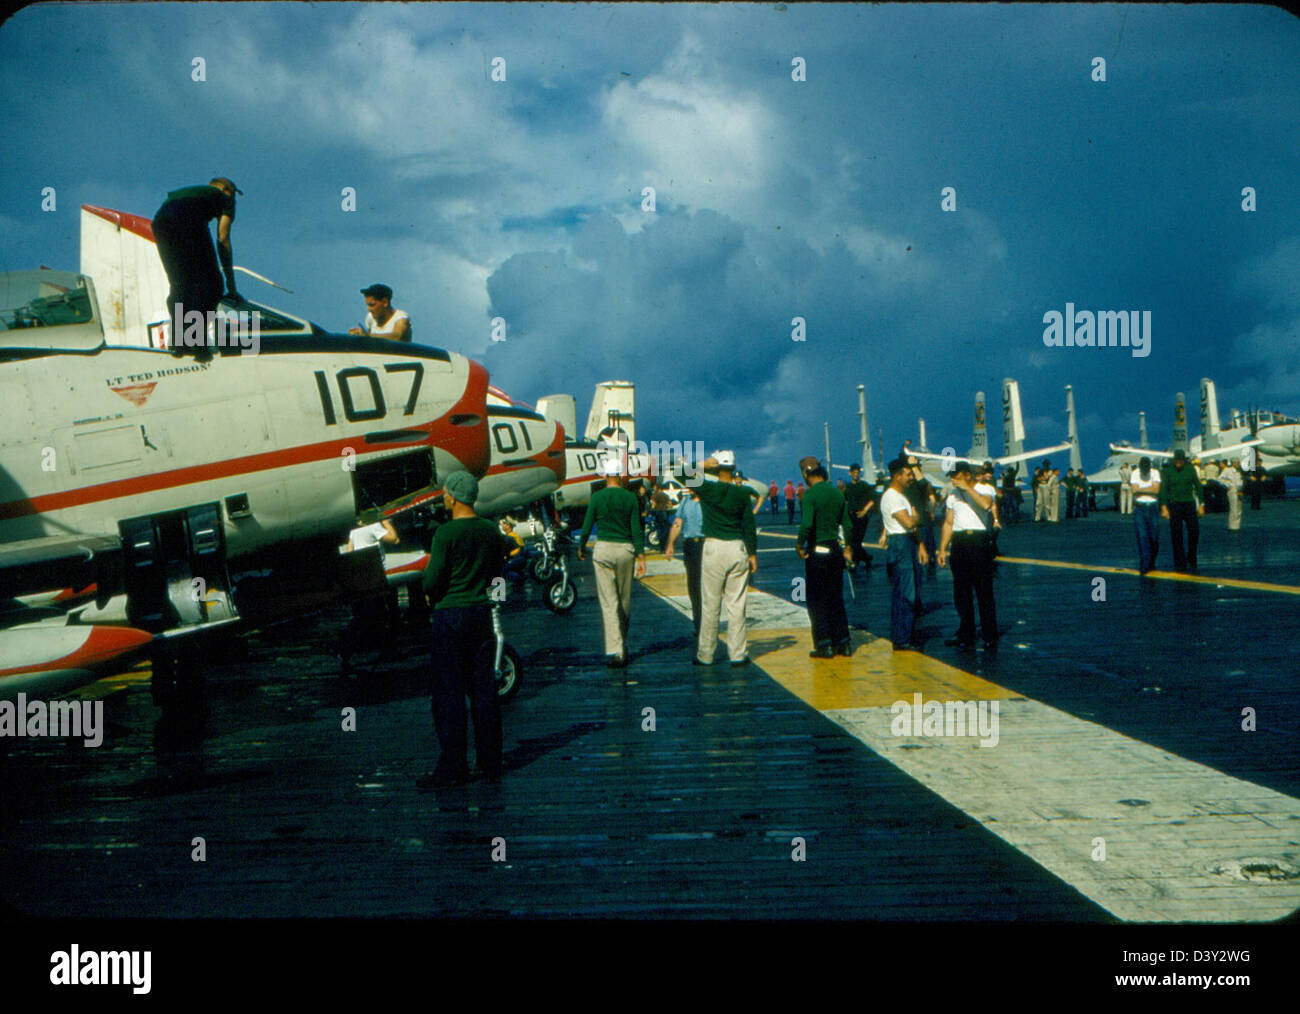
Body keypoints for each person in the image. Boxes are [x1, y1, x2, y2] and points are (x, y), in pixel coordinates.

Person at [418, 471, 514, 788]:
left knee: (449, 694)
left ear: (455, 497)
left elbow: (432, 579)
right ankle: (490, 762)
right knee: (483, 691)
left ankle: (452, 765)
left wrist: (431, 591)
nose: (443, 497)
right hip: (480, 614)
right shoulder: (489, 530)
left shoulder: (445, 534)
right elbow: (498, 571)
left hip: (450, 616)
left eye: (446, 493)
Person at [152, 177, 242, 361]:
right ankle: (197, 343)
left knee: (180, 284)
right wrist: (230, 285)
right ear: (226, 189)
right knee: (212, 285)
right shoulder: (223, 198)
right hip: (187, 221)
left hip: (160, 222)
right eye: (233, 195)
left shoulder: (195, 192)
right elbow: (223, 238)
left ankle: (178, 343)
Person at [577, 458, 646, 667]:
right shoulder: (631, 498)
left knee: (609, 603)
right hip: (625, 550)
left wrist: (581, 546)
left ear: (605, 476)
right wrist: (641, 556)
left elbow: (588, 524)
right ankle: (622, 644)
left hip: (604, 549)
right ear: (621, 476)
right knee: (624, 601)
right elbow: (636, 529)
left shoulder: (597, 497)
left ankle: (616, 651)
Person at [694, 451, 758, 667]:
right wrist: (752, 554)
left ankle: (705, 654)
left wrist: (703, 465)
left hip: (713, 548)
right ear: (733, 468)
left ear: (716, 468)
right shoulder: (743, 494)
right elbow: (749, 526)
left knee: (710, 604)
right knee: (737, 605)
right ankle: (738, 654)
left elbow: (678, 471)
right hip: (737, 548)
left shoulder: (708, 489)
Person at [937, 461, 998, 652]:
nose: (953, 481)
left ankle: (989, 634)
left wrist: (968, 489)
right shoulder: (952, 495)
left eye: (956, 477)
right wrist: (942, 549)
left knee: (983, 591)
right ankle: (966, 632)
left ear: (967, 475)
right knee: (961, 592)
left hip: (978, 541)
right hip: (960, 542)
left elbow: (986, 504)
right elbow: (948, 522)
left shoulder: (984, 488)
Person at [796, 457, 853, 658]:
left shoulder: (809, 495)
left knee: (817, 599)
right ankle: (843, 643)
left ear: (806, 474)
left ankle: (824, 644)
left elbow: (807, 525)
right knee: (836, 597)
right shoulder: (837, 494)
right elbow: (847, 525)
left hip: (817, 551)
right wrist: (849, 548)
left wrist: (799, 543)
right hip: (835, 551)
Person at [338, 511, 399, 673]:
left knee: (362, 617)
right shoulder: (373, 528)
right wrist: (386, 522)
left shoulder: (354, 532)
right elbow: (394, 539)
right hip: (377, 578)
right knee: (385, 614)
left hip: (362, 580)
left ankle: (346, 649)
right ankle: (387, 650)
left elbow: (350, 551)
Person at [880, 457, 929, 650]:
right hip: (900, 545)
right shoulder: (892, 497)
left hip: (908, 543)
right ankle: (902, 639)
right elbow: (909, 523)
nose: (911, 478)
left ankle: (906, 635)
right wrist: (916, 517)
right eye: (908, 474)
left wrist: (921, 545)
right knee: (905, 593)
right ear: (897, 476)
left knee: (911, 590)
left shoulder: (902, 497)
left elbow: (911, 525)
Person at [664, 487, 705, 637]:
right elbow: (677, 523)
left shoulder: (708, 501)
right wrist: (670, 544)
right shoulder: (685, 502)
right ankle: (699, 623)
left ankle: (707, 621)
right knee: (693, 585)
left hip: (706, 545)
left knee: (708, 586)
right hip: (691, 547)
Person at [1160, 448, 1204, 573]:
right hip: (1175, 505)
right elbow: (1163, 489)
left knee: (1194, 531)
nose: (1178, 463)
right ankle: (1179, 561)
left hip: (1189, 504)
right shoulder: (1168, 471)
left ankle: (1192, 556)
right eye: (1176, 460)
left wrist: (1201, 504)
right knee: (1176, 534)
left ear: (1184, 460)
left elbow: (1198, 486)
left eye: (1180, 460)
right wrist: (1164, 507)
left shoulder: (1190, 469)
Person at [843, 463, 876, 571]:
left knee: (856, 542)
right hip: (851, 516)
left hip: (861, 517)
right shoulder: (847, 487)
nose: (856, 474)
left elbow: (873, 500)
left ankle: (859, 561)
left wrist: (865, 510)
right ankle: (866, 558)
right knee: (853, 542)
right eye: (854, 472)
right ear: (850, 473)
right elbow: (844, 500)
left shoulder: (864, 485)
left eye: (857, 472)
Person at [1131, 456, 1161, 574]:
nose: (1145, 471)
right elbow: (1134, 490)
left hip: (1153, 507)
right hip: (1139, 507)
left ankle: (1151, 561)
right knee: (1142, 536)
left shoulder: (1155, 472)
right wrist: (1150, 488)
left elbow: (1156, 490)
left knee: (1154, 537)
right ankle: (1144, 564)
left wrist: (1141, 489)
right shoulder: (1134, 473)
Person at [1221, 459, 1243, 531]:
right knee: (1234, 508)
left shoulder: (1239, 471)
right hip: (1232, 490)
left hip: (1239, 491)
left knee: (1239, 508)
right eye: (1237, 463)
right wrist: (1228, 485)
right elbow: (1220, 479)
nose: (1238, 464)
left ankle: (1237, 525)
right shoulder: (1228, 470)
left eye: (1238, 463)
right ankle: (1233, 526)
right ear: (1233, 463)